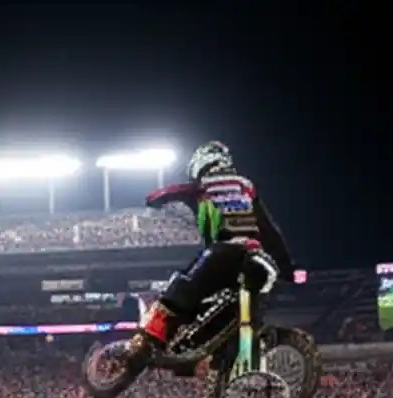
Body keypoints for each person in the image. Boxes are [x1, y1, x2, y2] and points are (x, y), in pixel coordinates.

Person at [125, 141, 295, 370]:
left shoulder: (203, 186)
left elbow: (165, 194)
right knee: (246, 311)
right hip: (260, 260)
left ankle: (148, 340)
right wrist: (288, 269)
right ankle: (224, 354)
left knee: (181, 287)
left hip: (224, 252)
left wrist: (156, 198)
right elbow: (269, 228)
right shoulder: (246, 186)